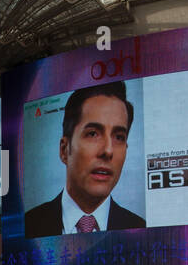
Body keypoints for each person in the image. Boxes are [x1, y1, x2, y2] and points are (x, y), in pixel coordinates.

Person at [23, 81, 145, 237]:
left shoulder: (140, 228)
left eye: (119, 137)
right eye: (93, 133)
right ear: (64, 150)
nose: (108, 151)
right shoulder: (29, 225)